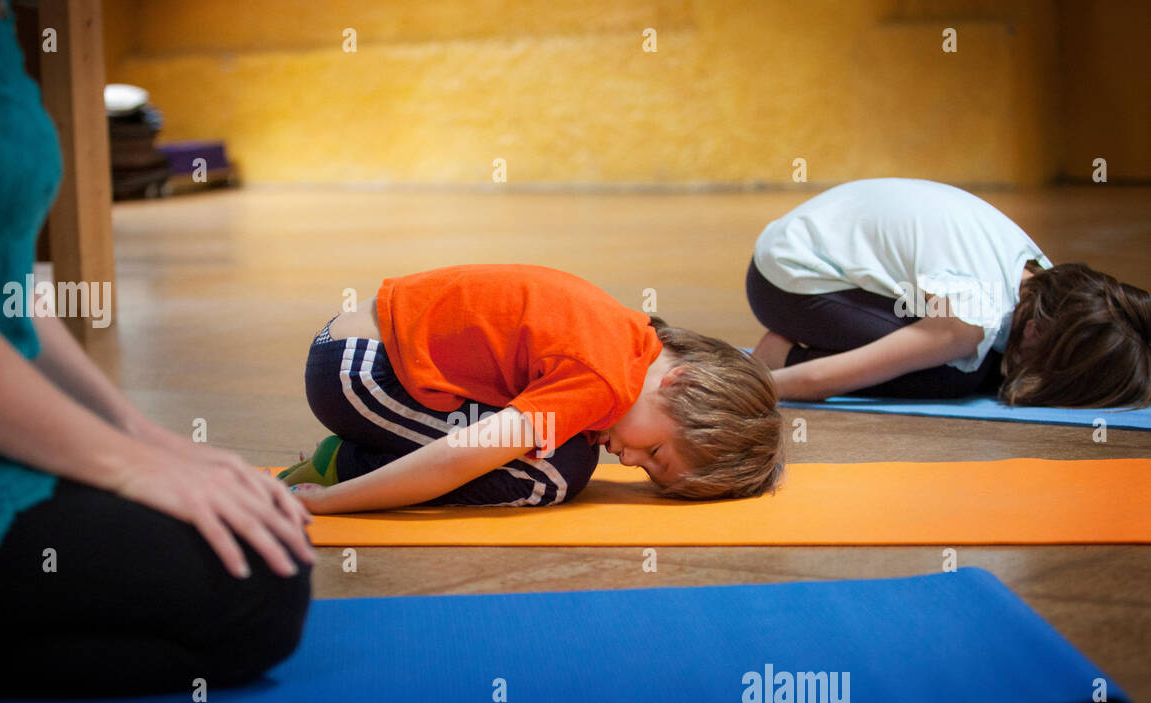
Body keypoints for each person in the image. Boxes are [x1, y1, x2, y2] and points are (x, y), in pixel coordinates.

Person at [0, 0, 313, 698]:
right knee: (246, 595)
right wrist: (122, 466)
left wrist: (145, 438)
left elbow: (1, 289)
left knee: (264, 553)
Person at [283, 264, 784, 514]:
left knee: (568, 455)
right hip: (358, 377)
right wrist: (334, 502)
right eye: (656, 452)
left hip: (354, 352)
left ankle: (360, 456)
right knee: (556, 474)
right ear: (681, 383)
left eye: (648, 469)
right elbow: (463, 456)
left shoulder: (631, 340)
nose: (631, 464)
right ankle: (343, 467)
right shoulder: (605, 379)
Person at [746, 178, 1151, 407]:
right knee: (955, 377)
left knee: (978, 365)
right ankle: (780, 354)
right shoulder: (973, 317)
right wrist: (761, 383)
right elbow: (820, 384)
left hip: (814, 234)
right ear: (1035, 334)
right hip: (785, 280)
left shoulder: (1036, 271)